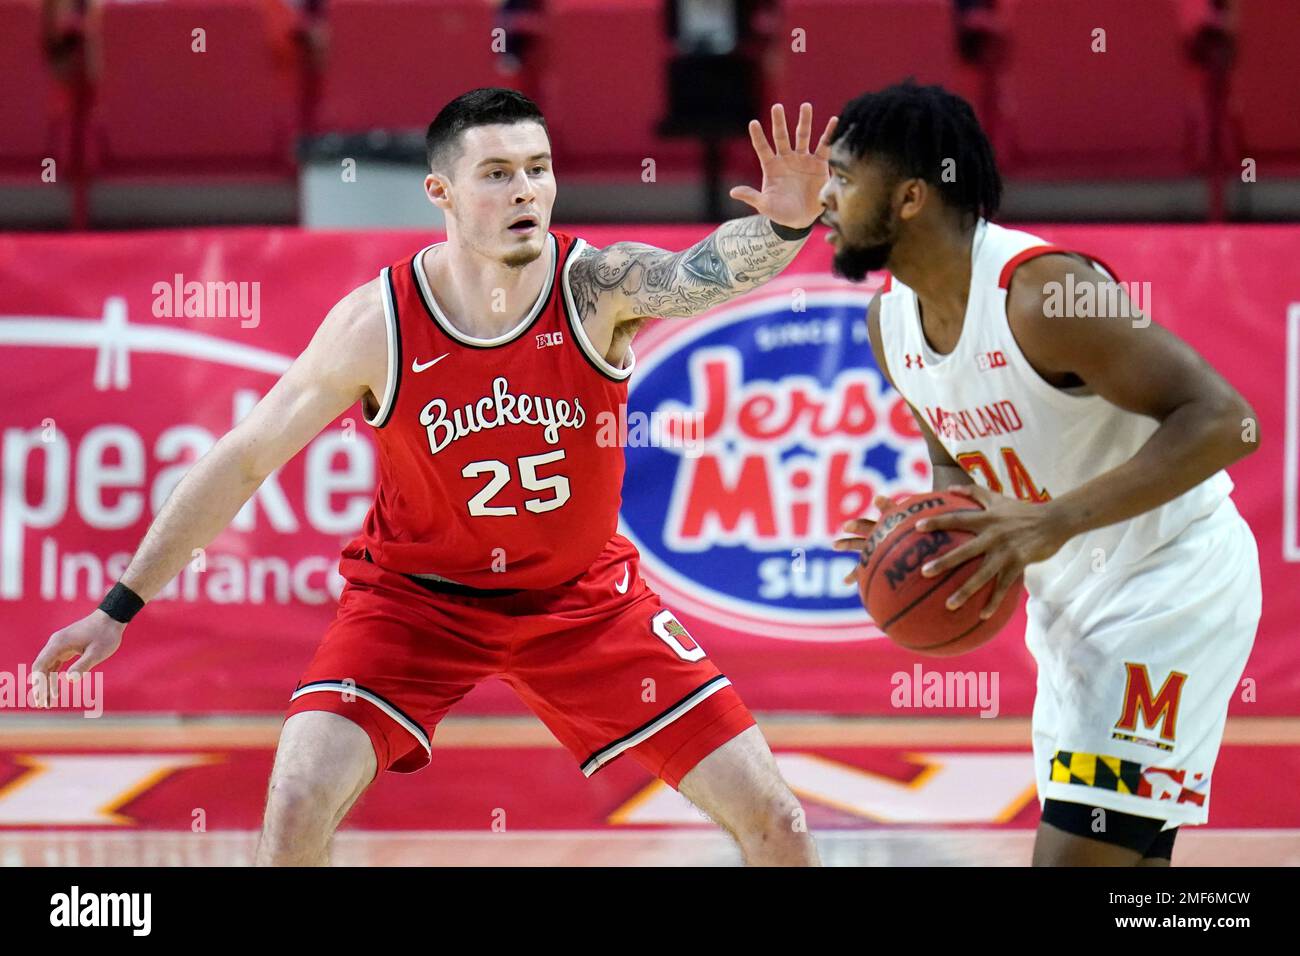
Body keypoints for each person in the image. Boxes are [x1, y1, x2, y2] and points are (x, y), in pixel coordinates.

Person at [32, 87, 837, 867]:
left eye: (538, 168)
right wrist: (119, 606)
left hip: (582, 603)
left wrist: (784, 226)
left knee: (779, 819)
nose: (526, 191)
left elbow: (701, 273)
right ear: (440, 192)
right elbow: (244, 458)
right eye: (497, 173)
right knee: (298, 798)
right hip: (415, 603)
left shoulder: (595, 287)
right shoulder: (377, 322)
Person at [827, 82, 1261, 866]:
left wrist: (1055, 519)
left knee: (1074, 859)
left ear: (912, 197)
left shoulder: (1043, 295)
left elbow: (1227, 419)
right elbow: (953, 460)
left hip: (1168, 584)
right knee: (1129, 864)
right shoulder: (888, 324)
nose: (826, 198)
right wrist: (922, 522)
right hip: (1070, 610)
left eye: (843, 176)